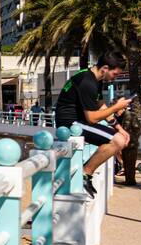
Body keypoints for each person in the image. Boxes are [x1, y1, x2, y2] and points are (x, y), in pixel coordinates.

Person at [54, 52, 131, 198]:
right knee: (117, 141)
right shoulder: (87, 82)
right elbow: (92, 119)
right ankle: (84, 173)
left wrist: (120, 128)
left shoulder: (95, 77)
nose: (115, 77)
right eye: (115, 74)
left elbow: (100, 105)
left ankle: (85, 173)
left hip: (78, 121)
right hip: (71, 123)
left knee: (120, 137)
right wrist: (116, 107)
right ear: (105, 68)